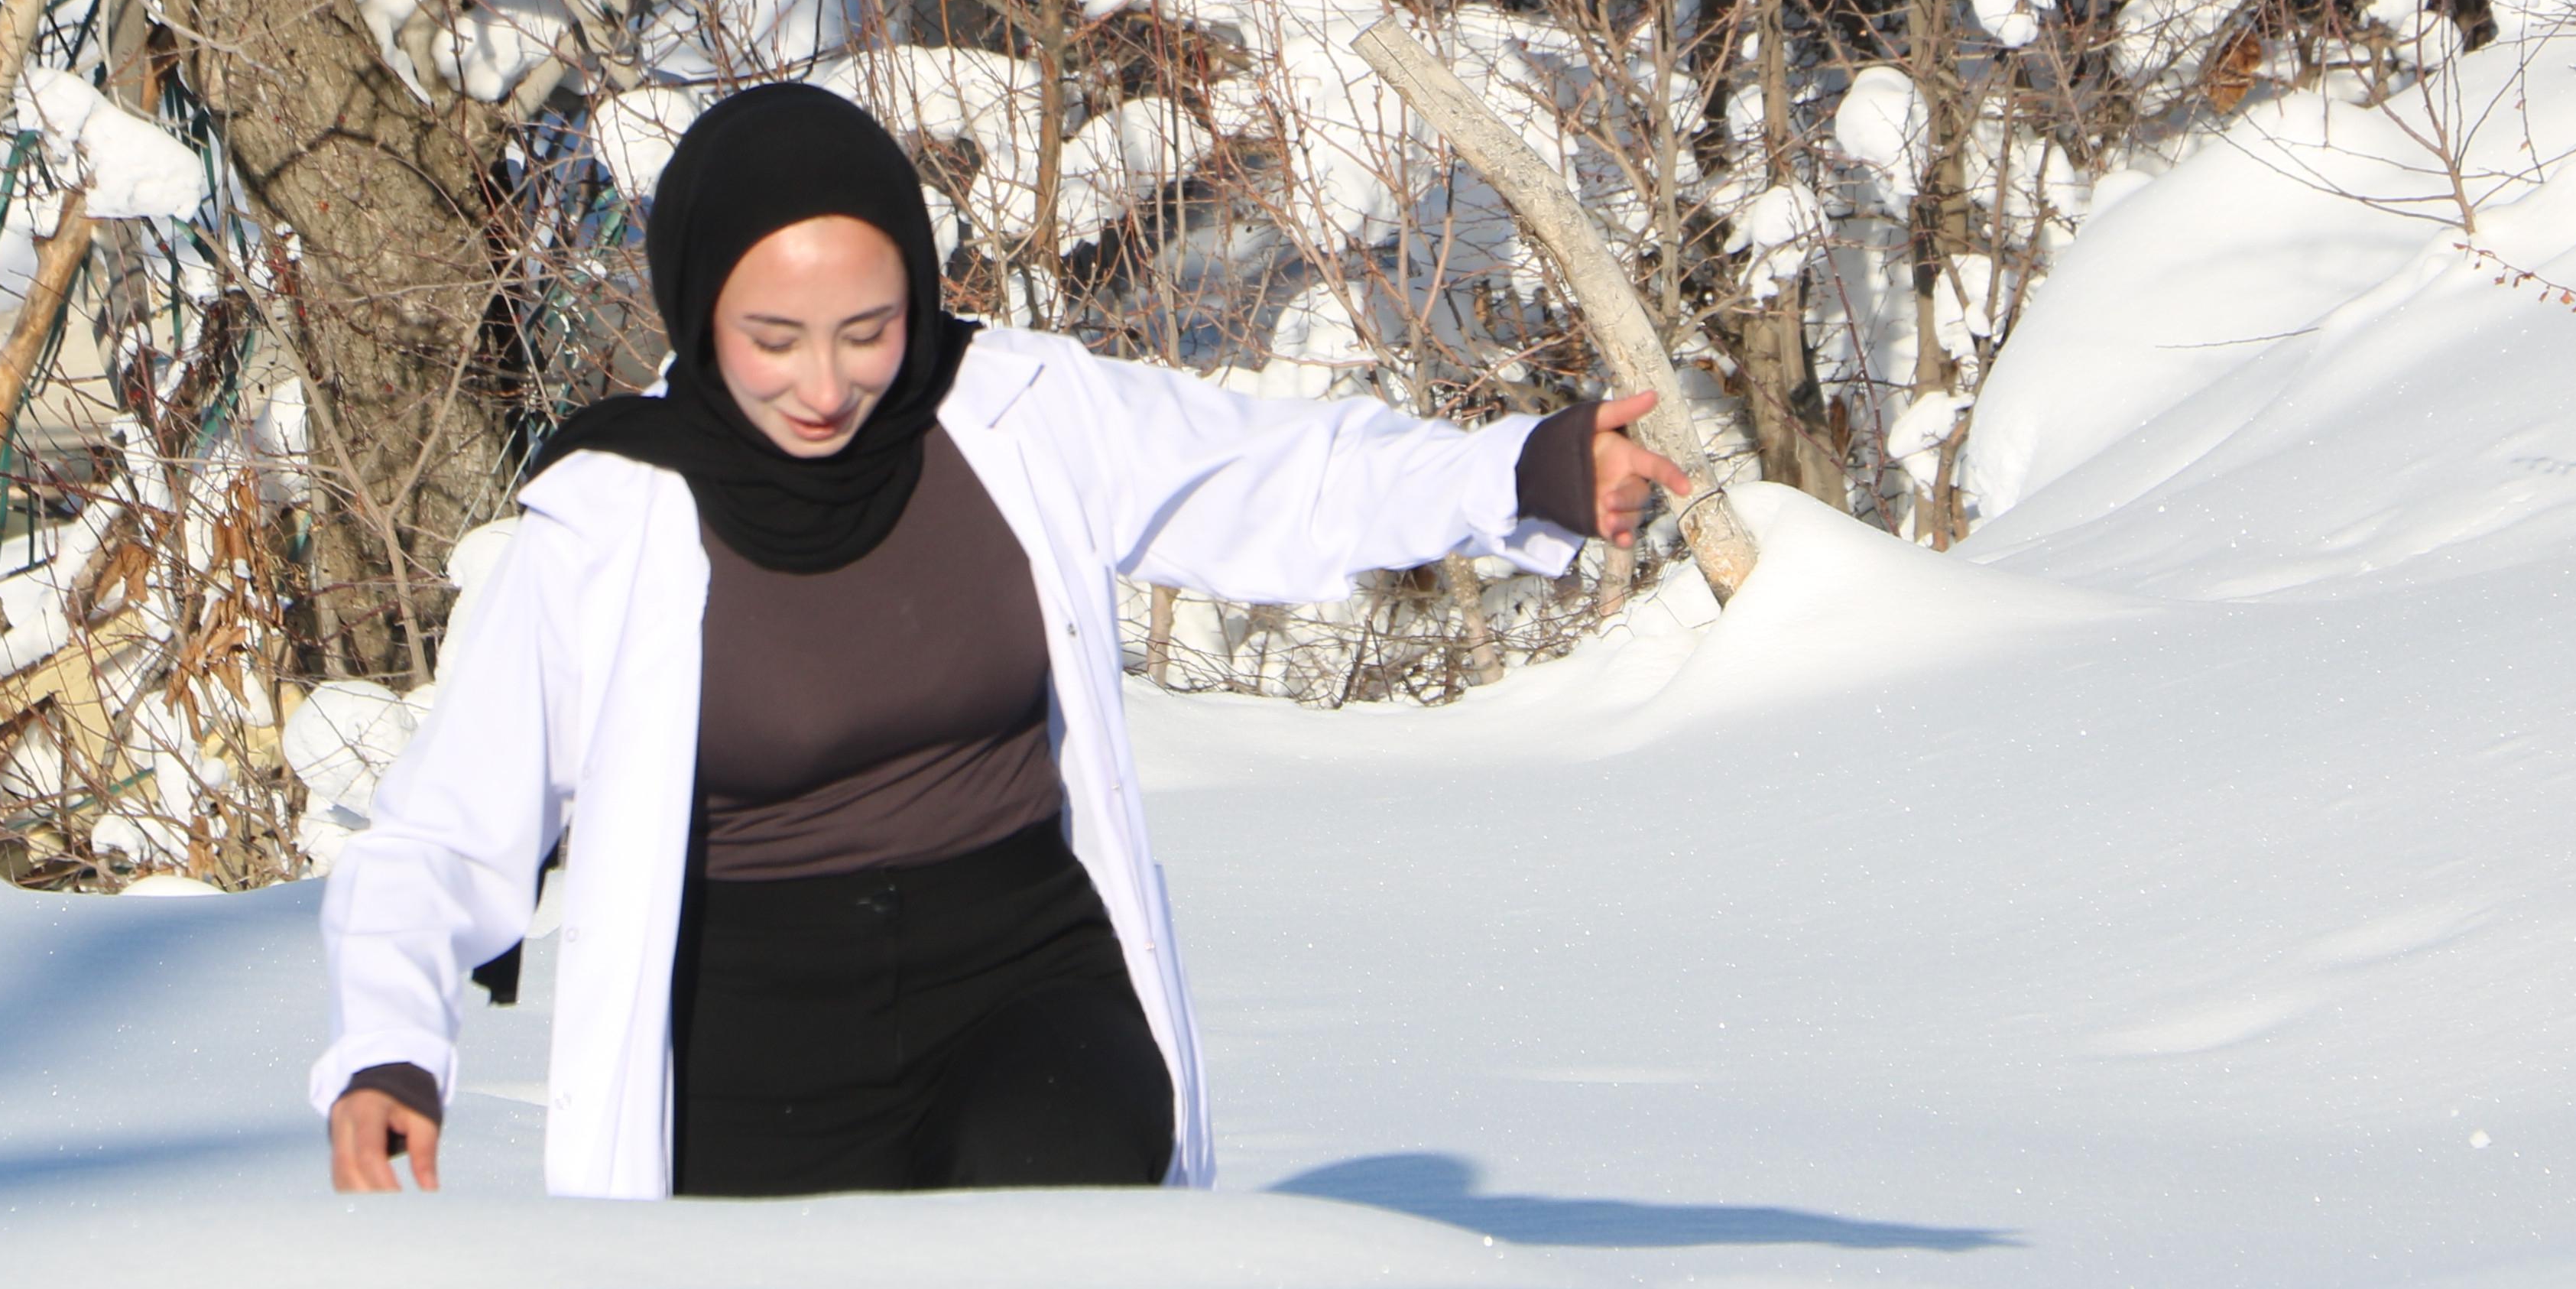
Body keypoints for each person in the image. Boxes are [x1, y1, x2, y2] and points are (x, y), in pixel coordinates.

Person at [312, 80, 1688, 1198]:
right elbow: (445, 833)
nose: (828, 383)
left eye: (868, 329)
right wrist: (389, 1050)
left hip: (1023, 975)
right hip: (754, 1029)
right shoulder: (610, 518)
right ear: (694, 308)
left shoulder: (1016, 414)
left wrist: (1521, 474)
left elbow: (1276, 472)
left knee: (1067, 1271)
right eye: (773, 338)